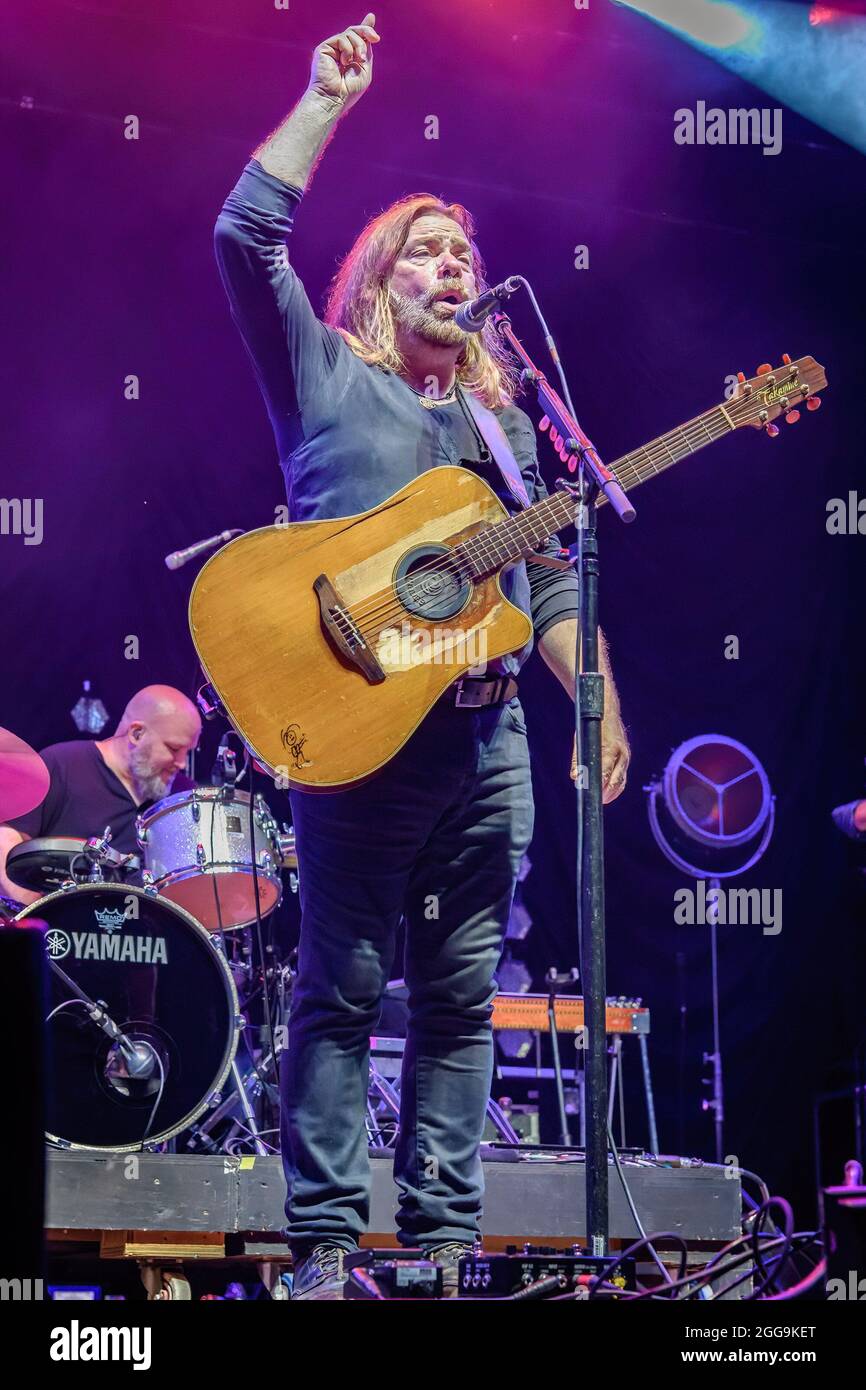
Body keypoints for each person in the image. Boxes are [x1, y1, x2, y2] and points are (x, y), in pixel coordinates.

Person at [214, 14, 630, 1298]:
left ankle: (445, 1250)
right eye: (427, 252)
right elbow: (244, 238)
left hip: (487, 739)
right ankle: (327, 1248)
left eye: (465, 251)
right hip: (355, 735)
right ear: (381, 282)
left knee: (459, 1003)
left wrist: (595, 700)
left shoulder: (511, 436)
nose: (455, 266)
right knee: (340, 994)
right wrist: (326, 103)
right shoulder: (329, 376)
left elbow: (552, 572)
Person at [0, 685, 201, 905]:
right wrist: (36, 909)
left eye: (187, 752)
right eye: (173, 749)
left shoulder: (182, 796)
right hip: (63, 929)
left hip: (151, 934)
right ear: (136, 734)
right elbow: (8, 839)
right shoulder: (64, 764)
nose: (182, 763)